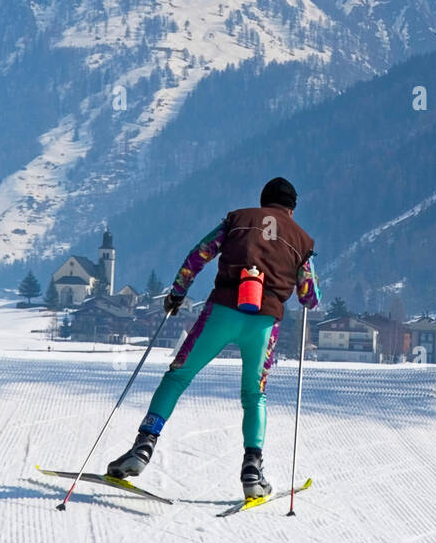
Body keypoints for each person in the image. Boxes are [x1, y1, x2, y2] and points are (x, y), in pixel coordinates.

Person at [107, 177, 321, 498]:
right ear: (291, 209)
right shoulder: (302, 240)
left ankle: (143, 446)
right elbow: (310, 295)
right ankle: (252, 468)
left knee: (178, 376)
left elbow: (199, 255)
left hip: (222, 311)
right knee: (254, 394)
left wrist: (177, 293)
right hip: (264, 324)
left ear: (263, 201)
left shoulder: (237, 218)